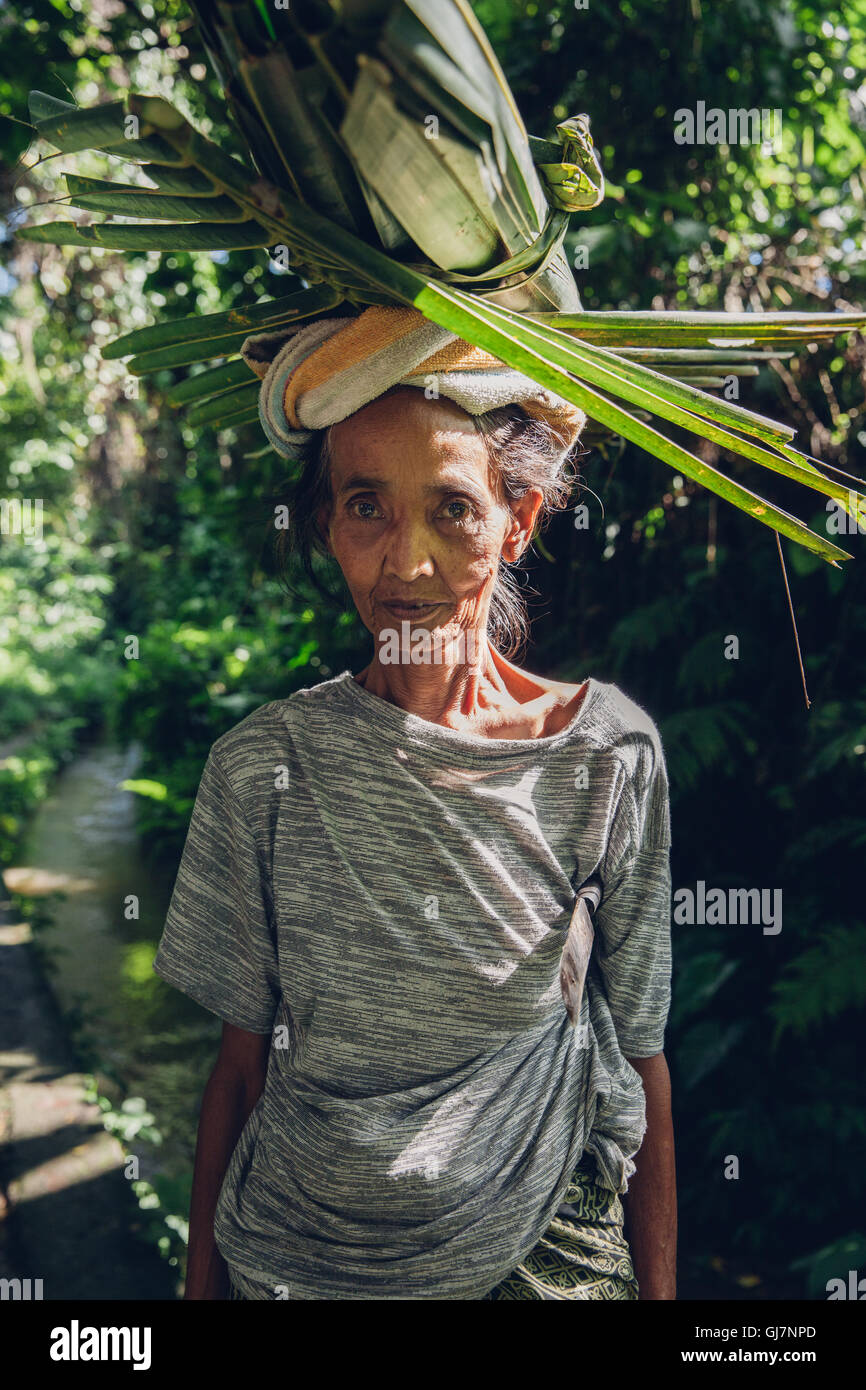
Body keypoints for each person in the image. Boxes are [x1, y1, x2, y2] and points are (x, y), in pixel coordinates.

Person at [153, 306, 676, 1301]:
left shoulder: (603, 754)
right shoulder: (262, 766)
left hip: (541, 1259)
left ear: (515, 523)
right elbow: (237, 1071)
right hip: (301, 1262)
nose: (405, 563)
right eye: (365, 506)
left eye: (450, 507)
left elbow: (643, 1066)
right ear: (323, 524)